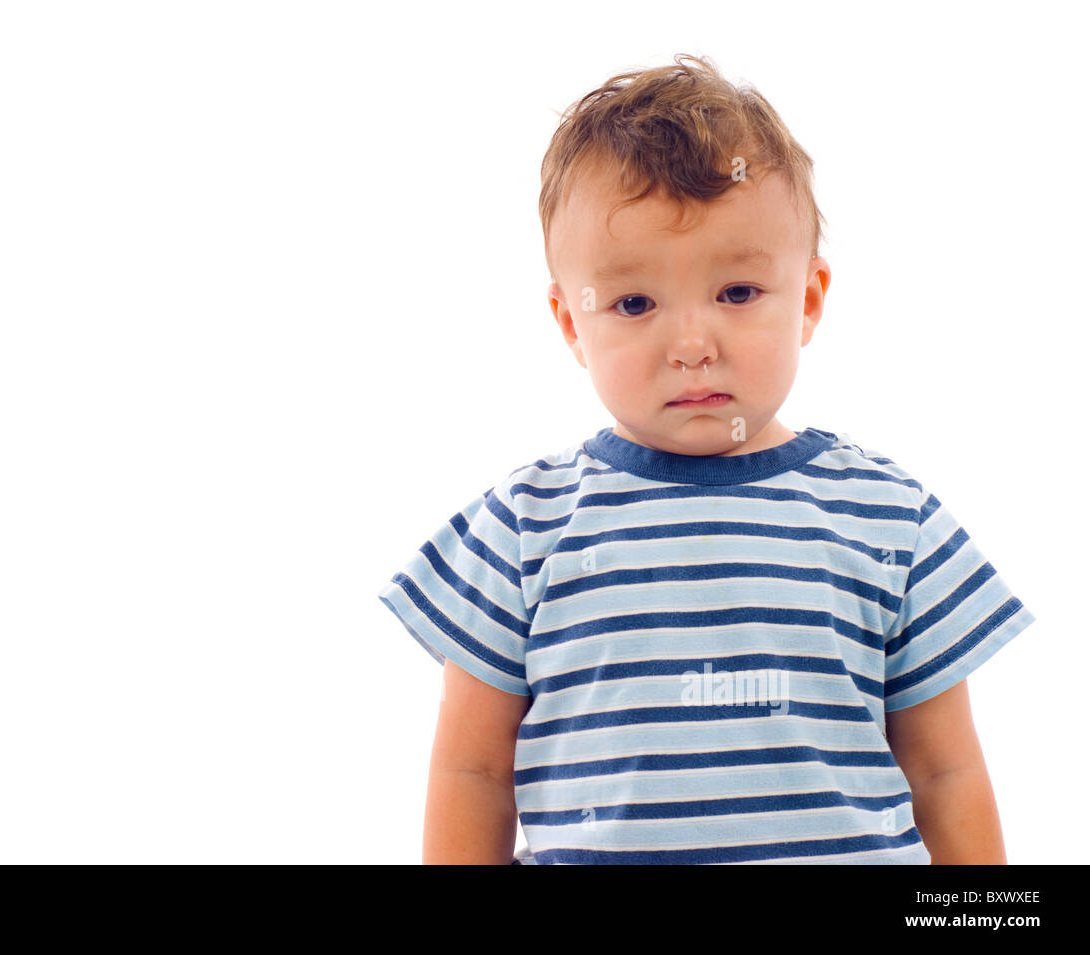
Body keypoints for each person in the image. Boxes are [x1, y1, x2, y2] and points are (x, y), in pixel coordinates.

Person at [376, 54, 1035, 864]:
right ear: (571, 324)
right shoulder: (520, 528)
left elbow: (946, 769)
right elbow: (473, 769)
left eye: (736, 293)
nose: (692, 346)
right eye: (634, 303)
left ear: (809, 299)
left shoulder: (890, 516)